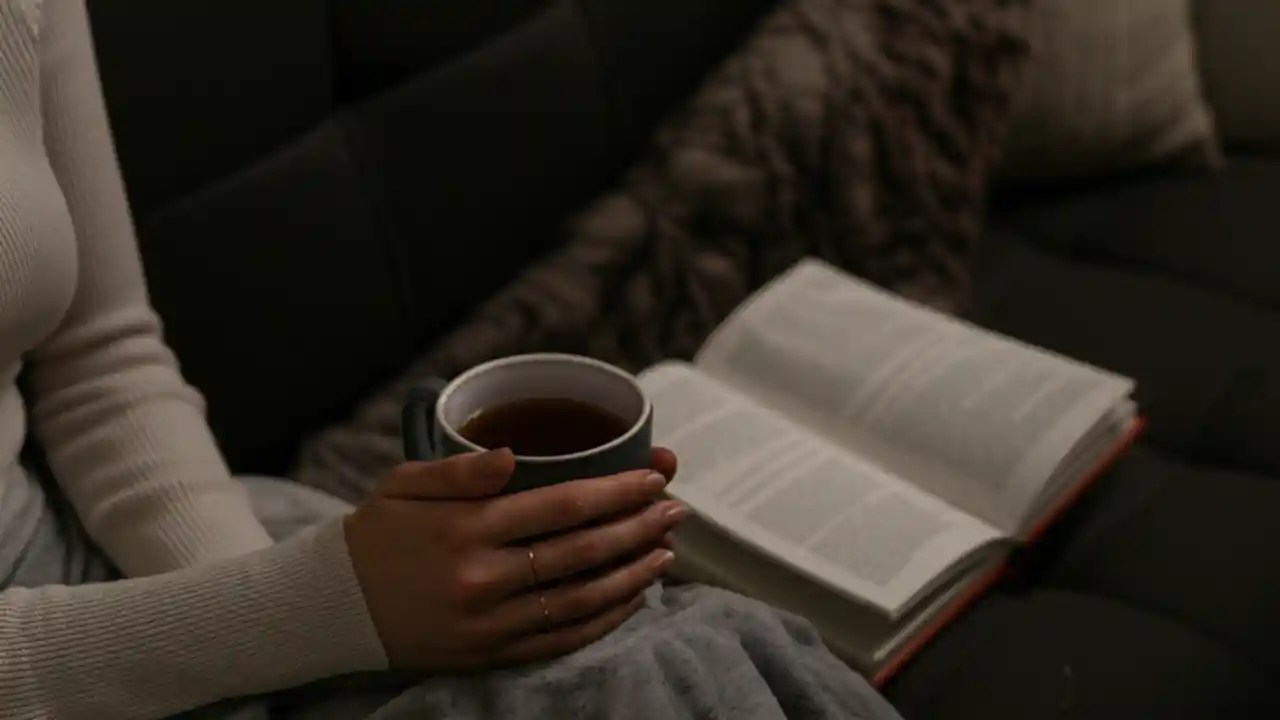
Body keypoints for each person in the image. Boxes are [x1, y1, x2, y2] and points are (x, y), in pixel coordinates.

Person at [0, 1, 900, 718]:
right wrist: (315, 610)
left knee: (685, 650)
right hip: (50, 666)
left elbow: (102, 367)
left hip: (119, 557)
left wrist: (280, 634)